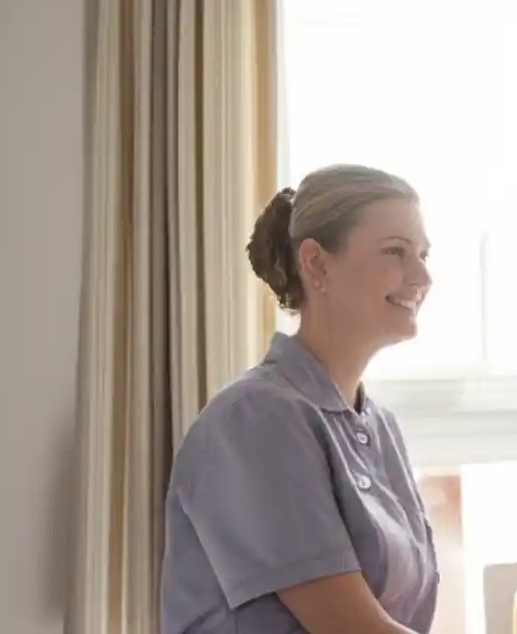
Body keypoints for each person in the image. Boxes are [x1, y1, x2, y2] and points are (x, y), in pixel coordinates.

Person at [161, 164, 438, 633]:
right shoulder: (254, 419)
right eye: (396, 252)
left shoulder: (379, 427)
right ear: (315, 264)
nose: (422, 276)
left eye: (424, 254)